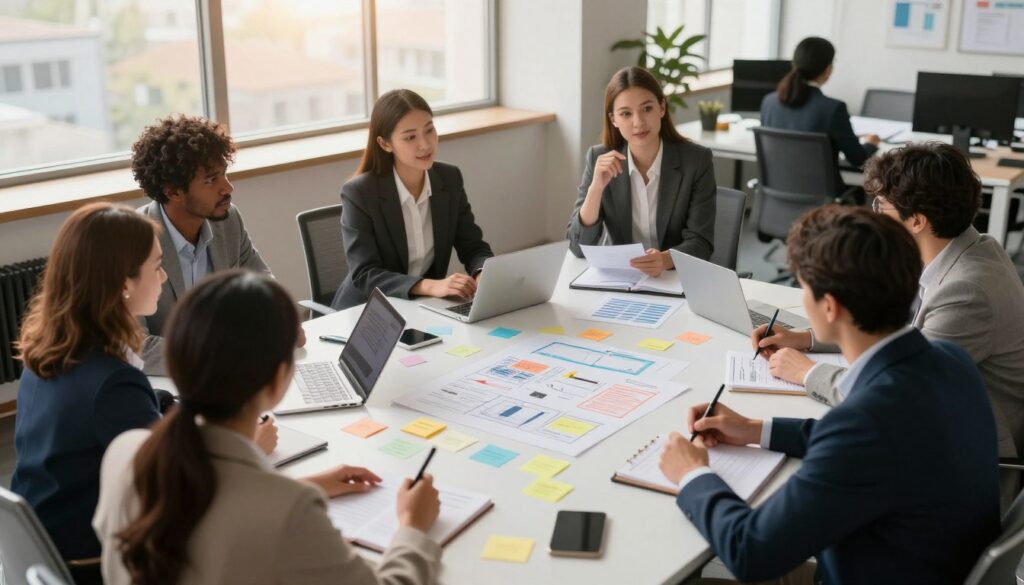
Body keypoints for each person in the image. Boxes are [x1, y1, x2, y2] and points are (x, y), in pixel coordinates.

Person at [659, 205, 999, 584]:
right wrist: (755, 428)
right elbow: (863, 442)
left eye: (803, 288)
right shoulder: (948, 360)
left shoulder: (866, 426)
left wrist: (692, 474)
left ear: (829, 306)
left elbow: (749, 552)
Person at [94, 271, 443, 585]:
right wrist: (413, 527)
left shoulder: (125, 452)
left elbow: (218, 508)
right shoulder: (289, 512)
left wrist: (307, 485)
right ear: (279, 378)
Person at [753, 143, 1024, 508]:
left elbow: (897, 391)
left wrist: (807, 373)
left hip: (969, 456)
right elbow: (899, 329)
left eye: (882, 205)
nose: (875, 213)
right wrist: (808, 338)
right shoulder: (960, 249)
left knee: (810, 475)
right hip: (942, 418)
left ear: (917, 220)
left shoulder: (967, 290)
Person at [10, 203, 166, 582]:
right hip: (92, 565)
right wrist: (245, 446)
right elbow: (178, 484)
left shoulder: (49, 351)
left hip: (37, 545)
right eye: (157, 266)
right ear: (124, 284)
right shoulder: (113, 383)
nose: (163, 277)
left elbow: (103, 420)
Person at [130, 115, 303, 374]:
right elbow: (134, 345)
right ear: (173, 192)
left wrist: (283, 321)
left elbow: (261, 281)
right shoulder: (132, 240)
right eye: (211, 180)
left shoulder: (227, 219)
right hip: (168, 386)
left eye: (224, 174)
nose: (227, 188)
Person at [332, 89, 493, 310]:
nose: (425, 144)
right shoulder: (359, 193)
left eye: (429, 130)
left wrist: (482, 273)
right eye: (410, 137)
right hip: (369, 312)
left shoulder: (449, 179)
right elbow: (365, 274)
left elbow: (473, 246)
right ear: (385, 144)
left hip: (422, 308)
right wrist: (430, 286)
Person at [567, 66, 716, 276]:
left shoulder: (696, 160)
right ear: (614, 120)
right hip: (622, 279)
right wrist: (595, 189)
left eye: (647, 108)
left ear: (662, 108)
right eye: (626, 114)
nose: (638, 122)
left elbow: (701, 243)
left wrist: (664, 259)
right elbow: (578, 247)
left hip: (676, 278)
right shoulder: (599, 158)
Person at [761, 37, 878, 183]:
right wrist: (871, 144)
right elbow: (858, 159)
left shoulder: (769, 102)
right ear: (828, 69)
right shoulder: (833, 108)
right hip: (822, 200)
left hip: (777, 194)